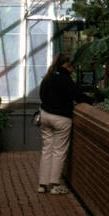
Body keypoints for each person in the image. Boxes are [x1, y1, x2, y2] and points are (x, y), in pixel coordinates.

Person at [37, 53, 84, 195]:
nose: (74, 68)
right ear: (67, 65)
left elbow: (42, 96)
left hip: (45, 116)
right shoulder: (66, 80)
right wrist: (95, 100)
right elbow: (79, 96)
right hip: (61, 119)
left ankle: (42, 185)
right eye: (73, 65)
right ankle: (54, 185)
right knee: (59, 151)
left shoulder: (48, 77)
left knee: (47, 150)